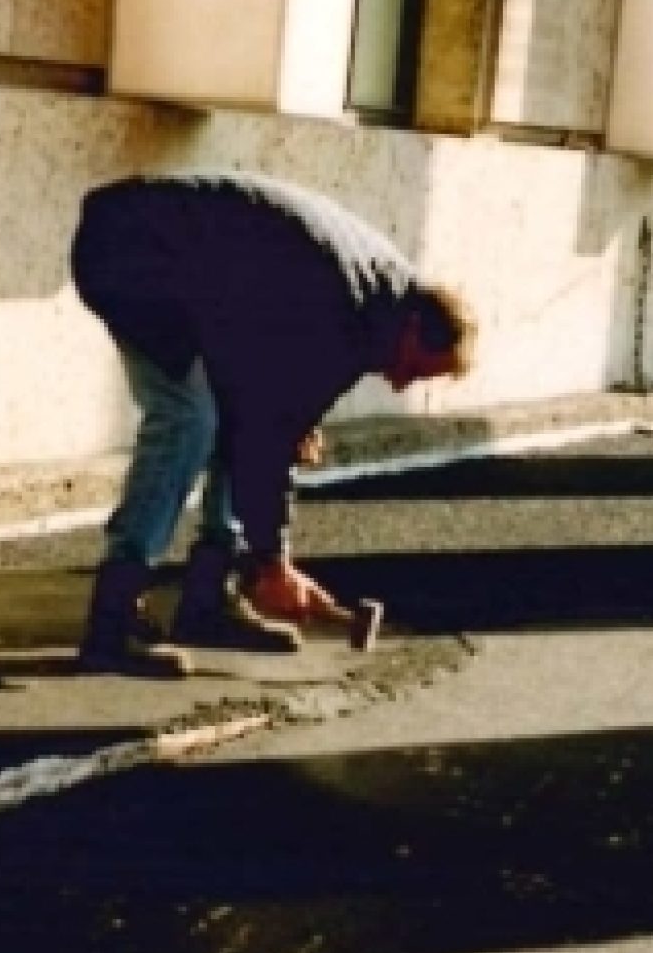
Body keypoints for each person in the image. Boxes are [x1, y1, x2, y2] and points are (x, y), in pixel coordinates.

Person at [69, 169, 477, 677]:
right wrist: (273, 563)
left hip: (188, 270)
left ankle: (206, 603)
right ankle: (111, 622)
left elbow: (267, 419)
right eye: (412, 369)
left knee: (238, 417)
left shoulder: (380, 305)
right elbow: (267, 440)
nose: (399, 384)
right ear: (415, 328)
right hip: (132, 248)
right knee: (189, 420)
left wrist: (293, 423)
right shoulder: (348, 313)